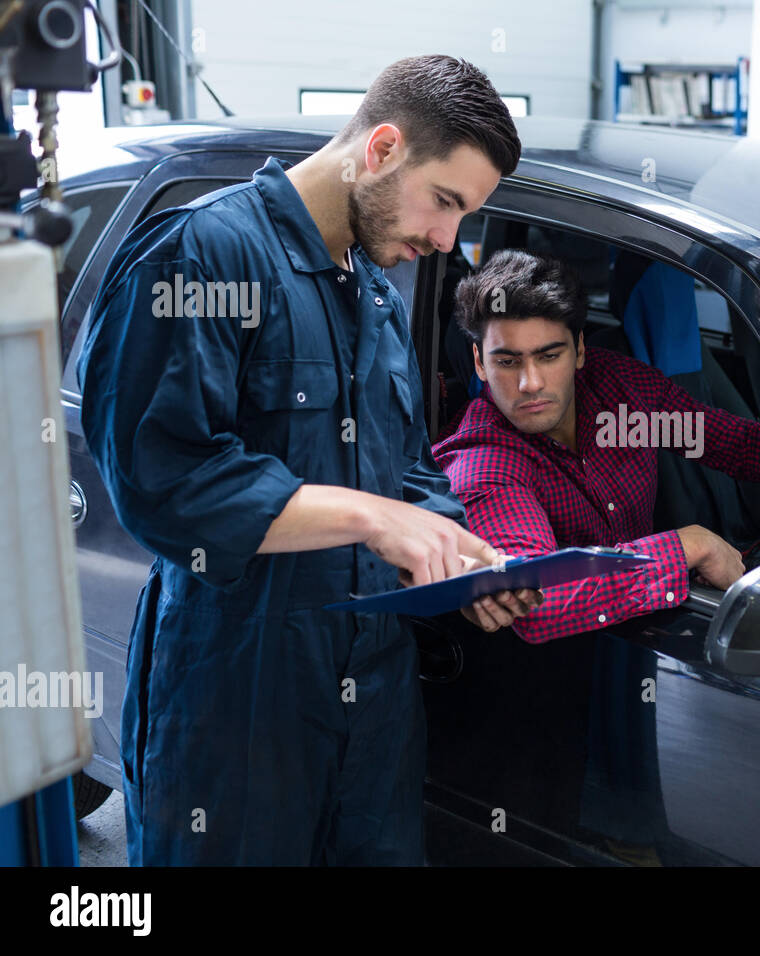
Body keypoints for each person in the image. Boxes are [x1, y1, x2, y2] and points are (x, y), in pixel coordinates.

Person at [76, 55, 540, 866]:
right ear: (384, 146)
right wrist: (372, 518)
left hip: (373, 707)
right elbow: (166, 483)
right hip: (238, 701)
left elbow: (410, 470)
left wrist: (460, 556)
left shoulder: (375, 294)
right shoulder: (205, 256)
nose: (444, 240)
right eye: (445, 203)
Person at [433, 249, 760, 643]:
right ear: (480, 362)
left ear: (579, 351)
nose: (531, 383)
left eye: (549, 355)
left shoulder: (621, 391)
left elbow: (735, 443)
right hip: (562, 678)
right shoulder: (482, 460)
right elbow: (538, 597)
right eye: (508, 362)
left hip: (649, 646)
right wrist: (686, 547)